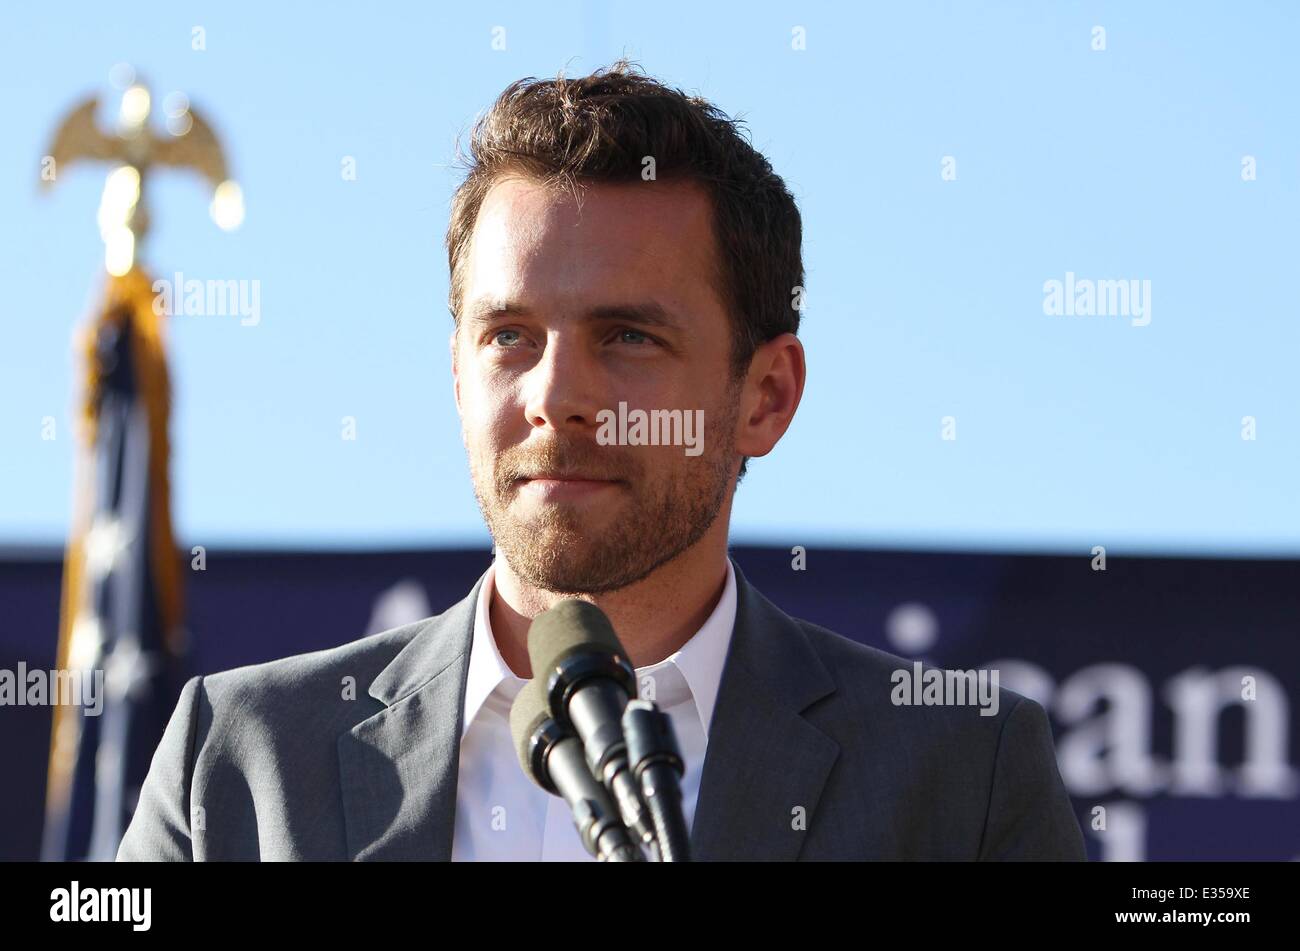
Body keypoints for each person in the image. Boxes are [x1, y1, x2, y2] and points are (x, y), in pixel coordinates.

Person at [117, 61, 1085, 861]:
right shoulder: (240, 763)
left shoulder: (961, 777)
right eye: (508, 336)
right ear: (458, 378)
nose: (555, 395)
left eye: (625, 336)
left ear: (766, 396)